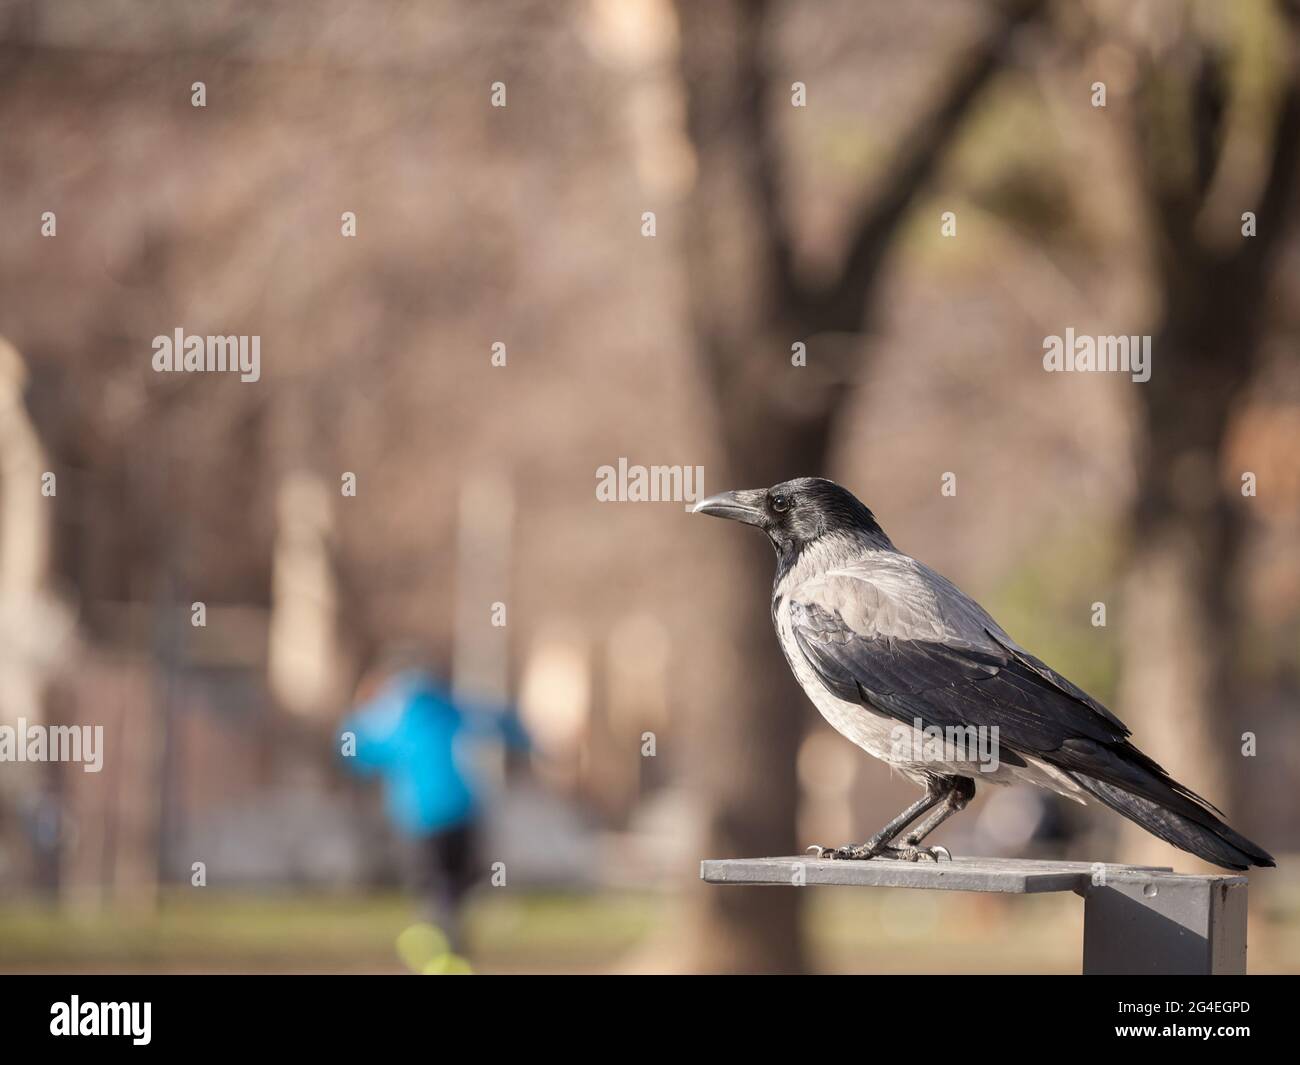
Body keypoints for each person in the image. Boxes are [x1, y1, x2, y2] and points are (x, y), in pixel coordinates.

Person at [338, 657, 526, 951]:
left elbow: (354, 752)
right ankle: (451, 941)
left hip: (418, 816)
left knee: (431, 886)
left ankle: (437, 941)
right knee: (457, 886)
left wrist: (359, 712)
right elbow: (502, 721)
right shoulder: (452, 709)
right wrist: (527, 742)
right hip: (463, 811)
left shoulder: (389, 720)